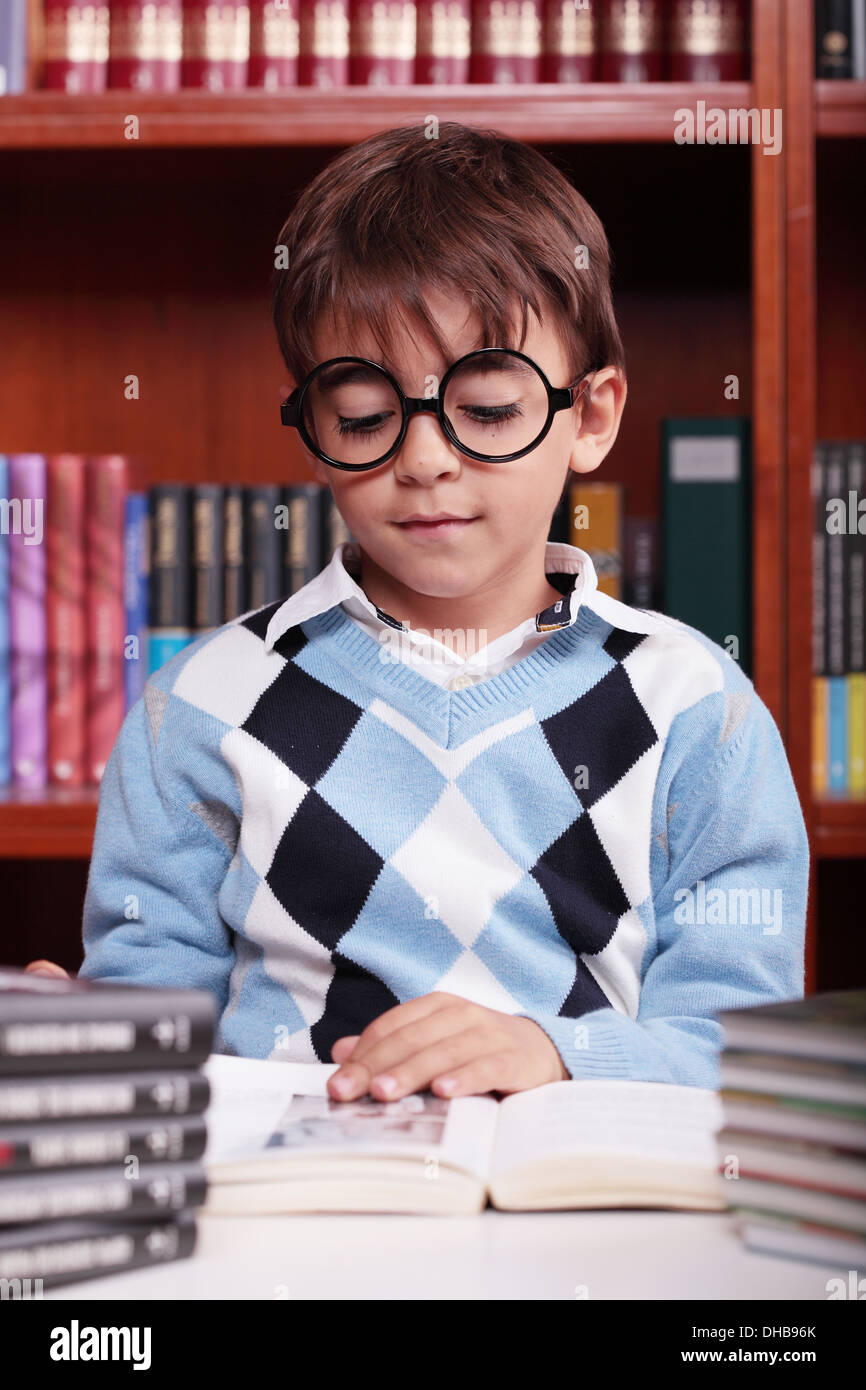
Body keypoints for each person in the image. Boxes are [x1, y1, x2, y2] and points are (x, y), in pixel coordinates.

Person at [35, 122, 809, 1106]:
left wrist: (556, 1052)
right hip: (291, 1188)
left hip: (580, 1188)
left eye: (486, 409)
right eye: (364, 416)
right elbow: (153, 1038)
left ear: (592, 416)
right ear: (312, 427)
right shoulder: (195, 709)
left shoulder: (696, 709)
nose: (427, 459)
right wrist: (86, 1043)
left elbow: (741, 1053)